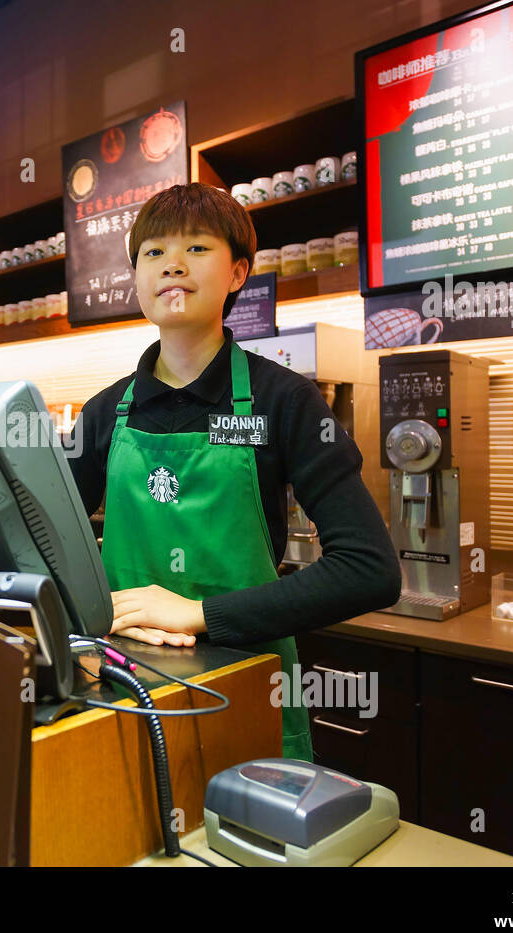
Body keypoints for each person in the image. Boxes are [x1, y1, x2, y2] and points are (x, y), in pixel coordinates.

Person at [68, 183, 401, 761]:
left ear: (238, 272)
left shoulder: (285, 402)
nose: (171, 264)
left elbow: (370, 570)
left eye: (197, 249)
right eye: (152, 252)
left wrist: (198, 614)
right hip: (122, 682)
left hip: (247, 682)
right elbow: (37, 549)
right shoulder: (103, 414)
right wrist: (82, 622)